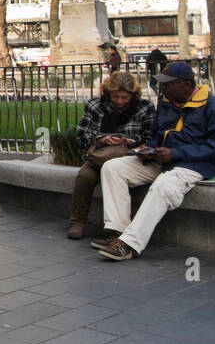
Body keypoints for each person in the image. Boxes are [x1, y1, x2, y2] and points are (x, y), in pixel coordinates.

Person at [96, 61, 215, 260]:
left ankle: (129, 244)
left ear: (187, 85)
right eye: (162, 83)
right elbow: (157, 134)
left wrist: (175, 153)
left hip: (197, 164)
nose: (162, 88)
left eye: (168, 84)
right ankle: (117, 232)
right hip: (164, 160)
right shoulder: (166, 104)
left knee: (164, 185)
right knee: (113, 167)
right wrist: (148, 149)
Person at [66, 72, 154, 240]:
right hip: (100, 156)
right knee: (84, 177)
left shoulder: (145, 107)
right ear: (108, 93)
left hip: (128, 158)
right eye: (116, 97)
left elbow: (150, 137)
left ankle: (117, 229)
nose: (120, 101)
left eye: (125, 97)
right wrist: (101, 139)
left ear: (132, 95)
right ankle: (77, 221)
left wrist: (129, 141)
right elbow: (81, 135)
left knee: (116, 175)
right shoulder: (95, 106)